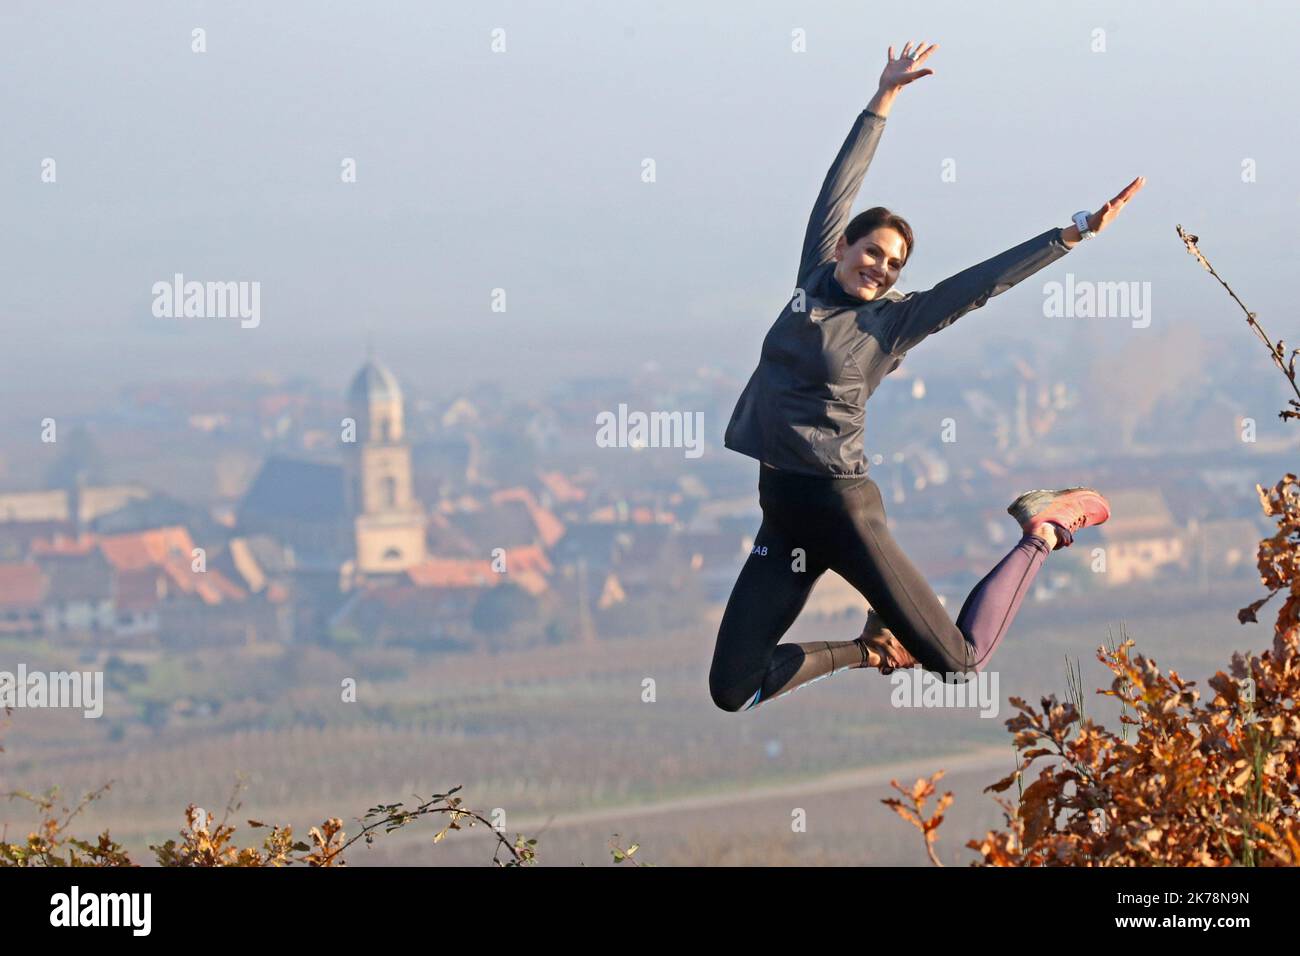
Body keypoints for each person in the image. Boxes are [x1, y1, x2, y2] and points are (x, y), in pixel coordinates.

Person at [709, 41, 1145, 712]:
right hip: (783, 515)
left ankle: (1043, 529)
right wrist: (882, 98)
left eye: (894, 264)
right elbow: (839, 187)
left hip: (842, 509)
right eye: (873, 251)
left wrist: (1071, 233)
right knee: (732, 688)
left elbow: (978, 286)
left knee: (961, 661)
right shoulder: (812, 282)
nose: (880, 267)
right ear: (843, 247)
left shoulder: (891, 323)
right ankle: (871, 649)